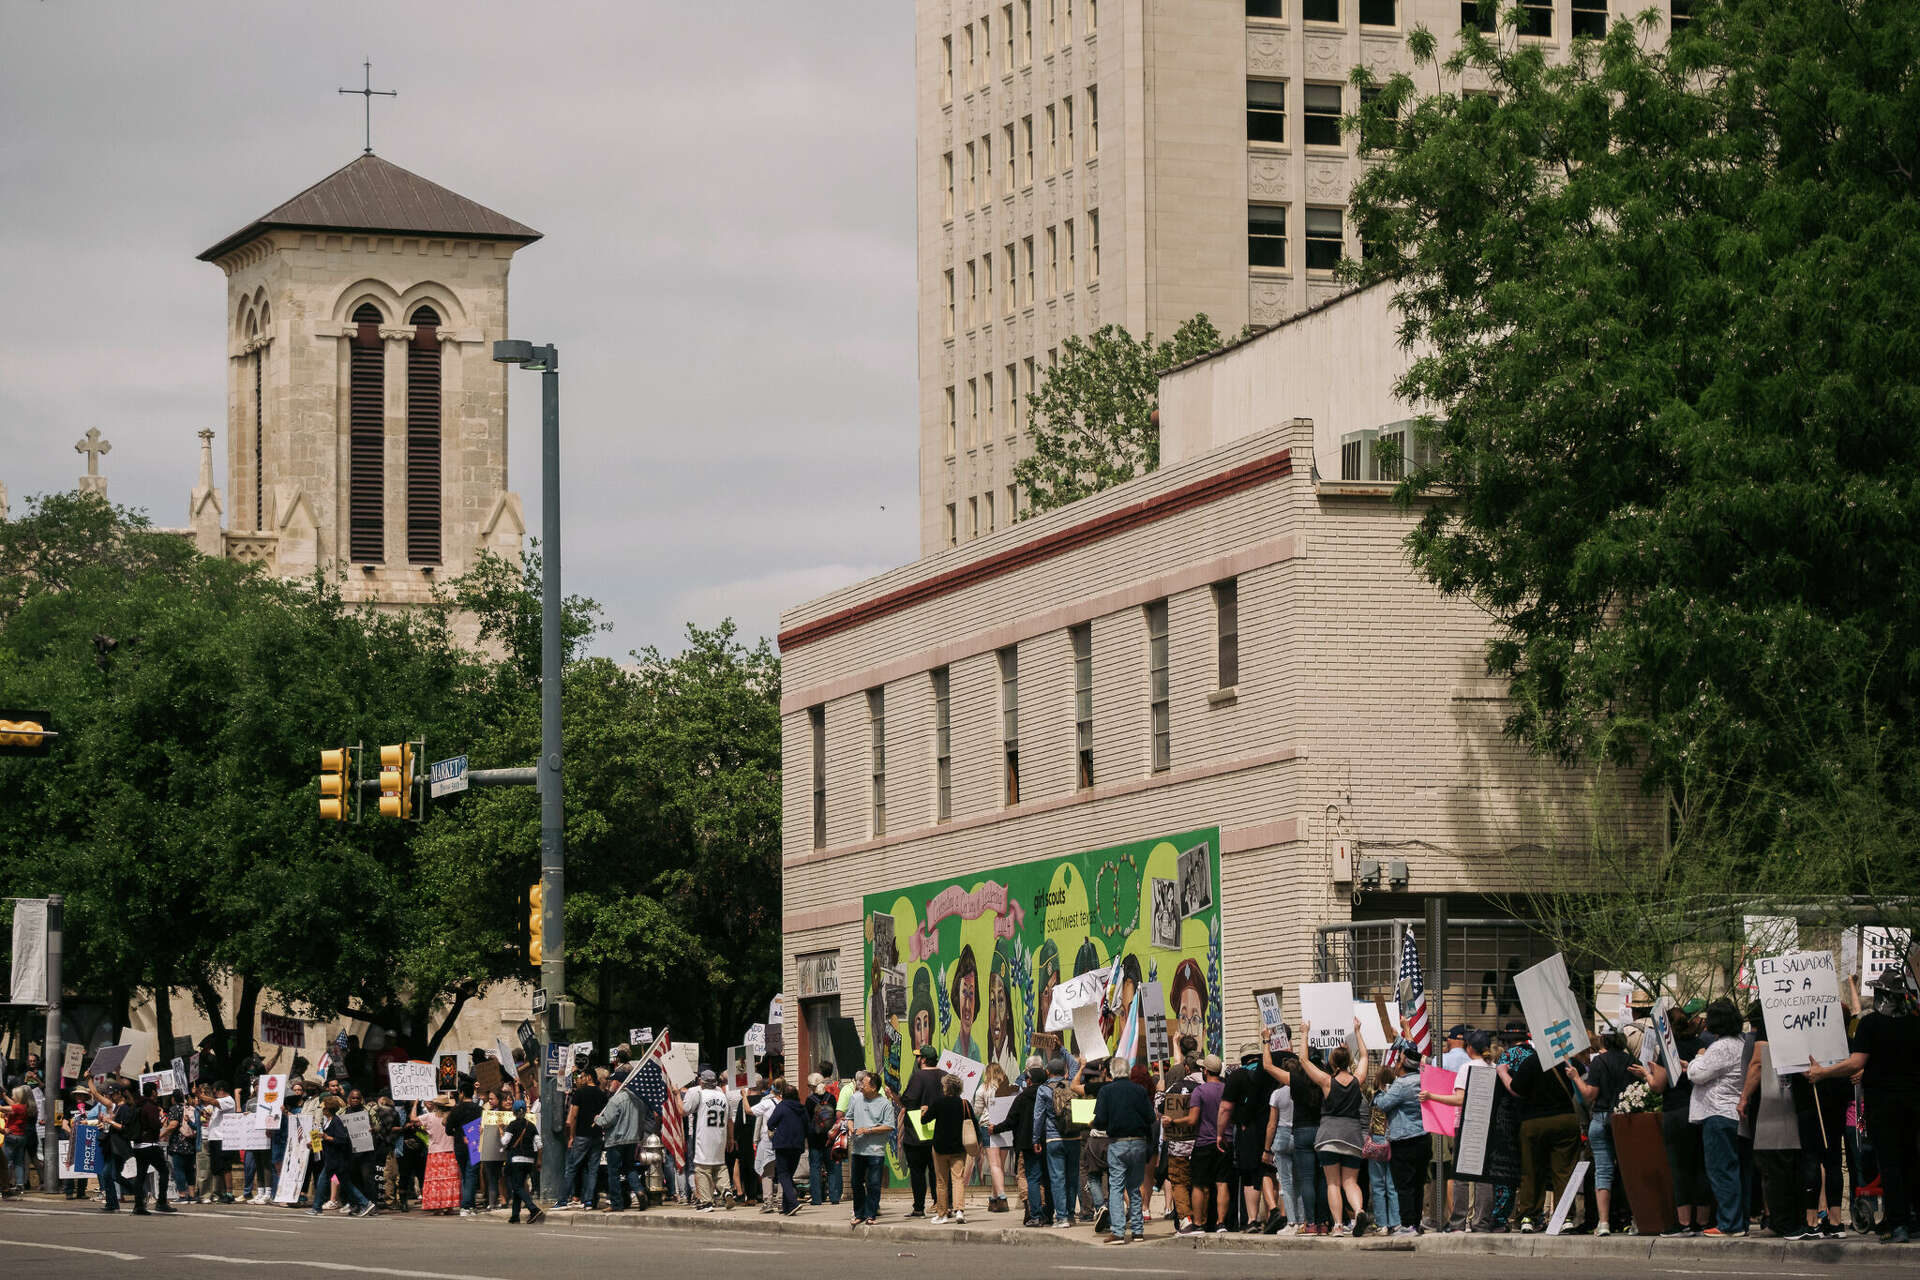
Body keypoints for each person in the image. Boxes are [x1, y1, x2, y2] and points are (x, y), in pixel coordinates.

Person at [1811, 964, 1920, 1243]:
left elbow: (1856, 1063)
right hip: (1913, 1103)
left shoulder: (1871, 1024)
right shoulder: (1916, 1023)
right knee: (1912, 1161)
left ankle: (1898, 1225)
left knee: (1890, 1164)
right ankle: (1913, 1217)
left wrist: (1824, 1072)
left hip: (1882, 1105)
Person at [1295, 1018, 1372, 1236]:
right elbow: (1365, 1056)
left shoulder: (1327, 1082)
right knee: (1350, 1182)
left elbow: (1303, 1060)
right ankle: (1358, 1211)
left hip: (1329, 1135)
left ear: (1333, 1063)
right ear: (1349, 1061)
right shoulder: (1358, 1080)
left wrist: (1304, 1033)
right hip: (1353, 1135)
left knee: (1332, 1183)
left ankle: (1337, 1225)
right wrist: (1357, 1032)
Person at [1503, 1024, 1580, 1234]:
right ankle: (1565, 1217)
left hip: (1533, 1123)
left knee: (1531, 1171)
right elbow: (1581, 1081)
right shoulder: (1567, 1062)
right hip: (1565, 1120)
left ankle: (1529, 1216)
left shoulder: (1530, 1063)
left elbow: (1516, 1090)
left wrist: (1503, 1073)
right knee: (1563, 1171)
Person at [1687, 998, 1749, 1238]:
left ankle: (1728, 1223)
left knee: (1721, 1169)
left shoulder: (1720, 1047)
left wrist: (1697, 1057)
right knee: (1736, 1170)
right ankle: (1738, 1220)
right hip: (1734, 1113)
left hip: (1717, 1112)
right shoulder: (1741, 1044)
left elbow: (1698, 1074)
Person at [1565, 1030, 1630, 1235]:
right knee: (1628, 1169)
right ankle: (1631, 1218)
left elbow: (1589, 1094)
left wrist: (1576, 1077)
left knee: (1602, 1170)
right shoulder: (1632, 1060)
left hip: (1601, 1117)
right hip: (1624, 1120)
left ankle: (1603, 1223)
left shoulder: (1598, 1063)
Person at [1429, 1029, 1495, 1231]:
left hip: (1466, 1123)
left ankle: (1458, 1221)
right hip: (1488, 1124)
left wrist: (1432, 1096)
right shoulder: (1493, 1067)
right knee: (1485, 1176)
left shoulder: (1467, 1068)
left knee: (1461, 1175)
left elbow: (1459, 1099)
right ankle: (1482, 1221)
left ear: (1469, 1047)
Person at [1217, 1041, 1280, 1234]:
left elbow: (1226, 1108)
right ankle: (1272, 1216)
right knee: (1268, 1171)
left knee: (1248, 1175)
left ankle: (1253, 1220)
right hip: (1272, 1128)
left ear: (1243, 1059)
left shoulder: (1237, 1076)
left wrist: (1220, 1133)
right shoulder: (1270, 1073)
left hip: (1247, 1130)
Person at [1092, 1061, 1155, 1244]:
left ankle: (1118, 1232)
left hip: (1118, 1143)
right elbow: (1150, 1117)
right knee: (1135, 1187)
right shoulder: (1139, 1091)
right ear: (1127, 1072)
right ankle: (1137, 1231)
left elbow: (1100, 1121)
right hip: (1138, 1142)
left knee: (1117, 1188)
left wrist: (1094, 1123)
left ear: (1112, 1072)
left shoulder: (1106, 1091)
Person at [1375, 1044, 1427, 1236]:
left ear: (1403, 1063)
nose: (1396, 1063)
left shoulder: (1401, 1084)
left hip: (1404, 1140)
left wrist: (1380, 1091)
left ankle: (1407, 1224)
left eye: (1398, 1060)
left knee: (1404, 1185)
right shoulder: (1424, 1080)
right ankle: (1416, 1222)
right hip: (1423, 1136)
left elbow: (1383, 1104)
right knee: (1418, 1184)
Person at [309, 1096, 375, 1217]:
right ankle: (365, 1203)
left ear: (328, 1109)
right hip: (332, 1160)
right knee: (345, 1184)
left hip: (337, 1161)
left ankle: (316, 1207)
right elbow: (328, 1140)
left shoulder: (336, 1121)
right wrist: (314, 1144)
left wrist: (326, 1137)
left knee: (323, 1181)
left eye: (323, 1108)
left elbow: (342, 1140)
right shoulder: (328, 1121)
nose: (322, 1110)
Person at [899, 1042, 944, 1217]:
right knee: (936, 1170)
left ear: (923, 1059)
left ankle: (919, 1207)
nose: (917, 1059)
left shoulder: (918, 1077)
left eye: (918, 1056)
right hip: (939, 1130)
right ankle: (938, 1202)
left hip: (917, 1132)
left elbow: (908, 1101)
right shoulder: (945, 1075)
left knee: (917, 1172)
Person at [846, 1071, 894, 1227]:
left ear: (874, 1088)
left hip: (875, 1150)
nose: (860, 1087)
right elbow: (849, 1117)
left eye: (864, 1085)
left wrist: (868, 1130)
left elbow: (888, 1126)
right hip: (858, 1149)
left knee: (873, 1184)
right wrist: (851, 1127)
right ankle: (858, 1213)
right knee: (856, 1183)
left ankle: (871, 1214)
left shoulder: (885, 1104)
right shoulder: (856, 1098)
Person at [923, 1072, 971, 1224]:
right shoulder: (964, 1103)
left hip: (940, 1147)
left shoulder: (938, 1103)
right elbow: (972, 1123)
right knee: (958, 1179)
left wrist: (924, 1110)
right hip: (958, 1148)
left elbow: (925, 1120)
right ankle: (959, 1211)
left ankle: (942, 1213)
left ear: (946, 1087)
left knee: (941, 1181)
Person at [555, 1068, 605, 1211]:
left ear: (589, 1077)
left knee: (571, 1168)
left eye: (582, 1076)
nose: (580, 1079)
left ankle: (562, 1200)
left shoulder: (579, 1093)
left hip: (581, 1135)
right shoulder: (602, 1095)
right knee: (592, 1170)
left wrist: (571, 1136)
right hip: (596, 1136)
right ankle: (588, 1201)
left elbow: (574, 1116)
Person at [594, 1068, 641, 1211]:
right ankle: (639, 1190)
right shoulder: (636, 1098)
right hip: (632, 1139)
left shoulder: (615, 1100)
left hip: (616, 1140)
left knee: (613, 1173)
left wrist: (597, 1119)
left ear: (619, 1082)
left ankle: (616, 1203)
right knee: (630, 1168)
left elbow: (607, 1120)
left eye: (612, 1080)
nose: (610, 1083)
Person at [684, 1069, 731, 1211]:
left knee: (702, 1169)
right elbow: (729, 1120)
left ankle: (707, 1202)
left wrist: (676, 1096)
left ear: (701, 1082)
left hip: (704, 1136)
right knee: (720, 1166)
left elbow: (684, 1111)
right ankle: (727, 1190)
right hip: (720, 1136)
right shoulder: (723, 1095)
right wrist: (731, 1138)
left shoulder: (700, 1093)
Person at [128, 1080, 175, 1215]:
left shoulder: (138, 1104)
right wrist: (161, 1119)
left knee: (141, 1175)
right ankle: (161, 1202)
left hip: (138, 1145)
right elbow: (155, 1125)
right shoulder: (151, 1107)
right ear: (153, 1092)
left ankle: (138, 1205)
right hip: (150, 1145)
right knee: (164, 1171)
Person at [972, 1061, 1013, 1212]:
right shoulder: (1008, 1087)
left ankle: (1002, 1197)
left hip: (988, 1127)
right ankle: (993, 1198)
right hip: (1006, 1127)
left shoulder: (983, 1089)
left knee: (994, 1165)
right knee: (1000, 1165)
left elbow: (977, 1111)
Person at [500, 1099, 544, 1224]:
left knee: (517, 1186)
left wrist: (501, 1130)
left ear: (513, 1112)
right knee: (518, 1186)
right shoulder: (531, 1125)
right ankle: (515, 1216)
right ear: (525, 1111)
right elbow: (539, 1144)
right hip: (530, 1160)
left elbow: (504, 1142)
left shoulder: (512, 1125)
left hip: (516, 1159)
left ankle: (533, 1208)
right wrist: (539, 1160)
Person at [805, 1064, 843, 1207]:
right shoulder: (831, 1098)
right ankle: (834, 1197)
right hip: (829, 1138)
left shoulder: (810, 1101)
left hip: (815, 1140)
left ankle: (816, 1199)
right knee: (832, 1168)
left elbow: (807, 1120)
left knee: (815, 1168)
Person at [768, 1082, 807, 1216]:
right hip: (797, 1146)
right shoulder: (802, 1108)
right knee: (788, 1175)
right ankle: (787, 1207)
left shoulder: (782, 1106)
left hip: (782, 1145)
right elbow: (807, 1126)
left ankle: (794, 1202)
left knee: (783, 1174)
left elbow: (770, 1123)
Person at [419, 1098, 460, 1213]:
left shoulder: (430, 1117)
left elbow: (413, 1119)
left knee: (436, 1181)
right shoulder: (451, 1117)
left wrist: (415, 1104)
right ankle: (449, 1206)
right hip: (450, 1151)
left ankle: (437, 1206)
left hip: (434, 1153)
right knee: (448, 1181)